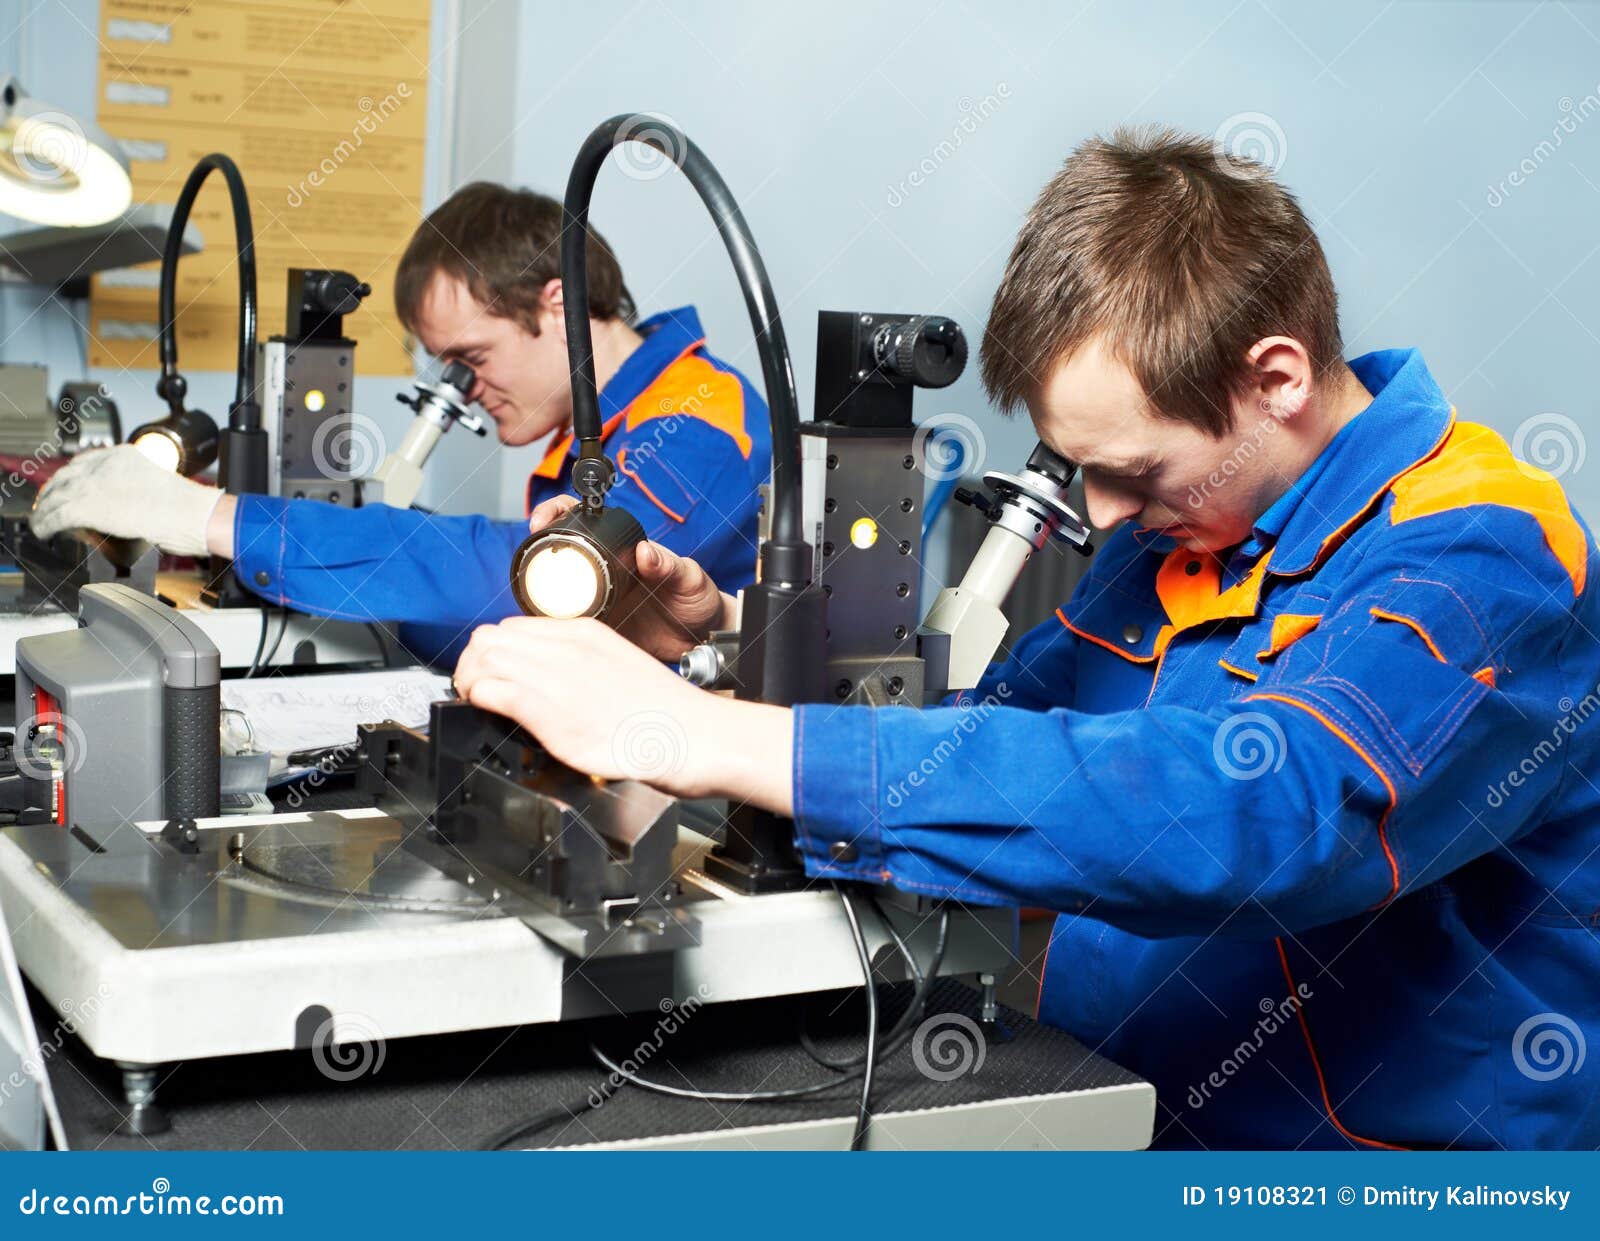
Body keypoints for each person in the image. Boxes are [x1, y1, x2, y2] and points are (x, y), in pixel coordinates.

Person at [451, 128, 1600, 1150]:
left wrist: (706, 736)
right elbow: (990, 741)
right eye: (1077, 469)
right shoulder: (1197, 519)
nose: (1097, 517)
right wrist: (721, 645)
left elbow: (1265, 816)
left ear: (1275, 379)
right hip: (1120, 1103)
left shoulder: (1484, 552)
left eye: (1128, 471)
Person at [31, 183, 771, 665]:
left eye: (471, 358)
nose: (465, 390)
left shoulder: (697, 422)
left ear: (556, 306)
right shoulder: (613, 425)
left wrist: (216, 518)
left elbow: (528, 587)